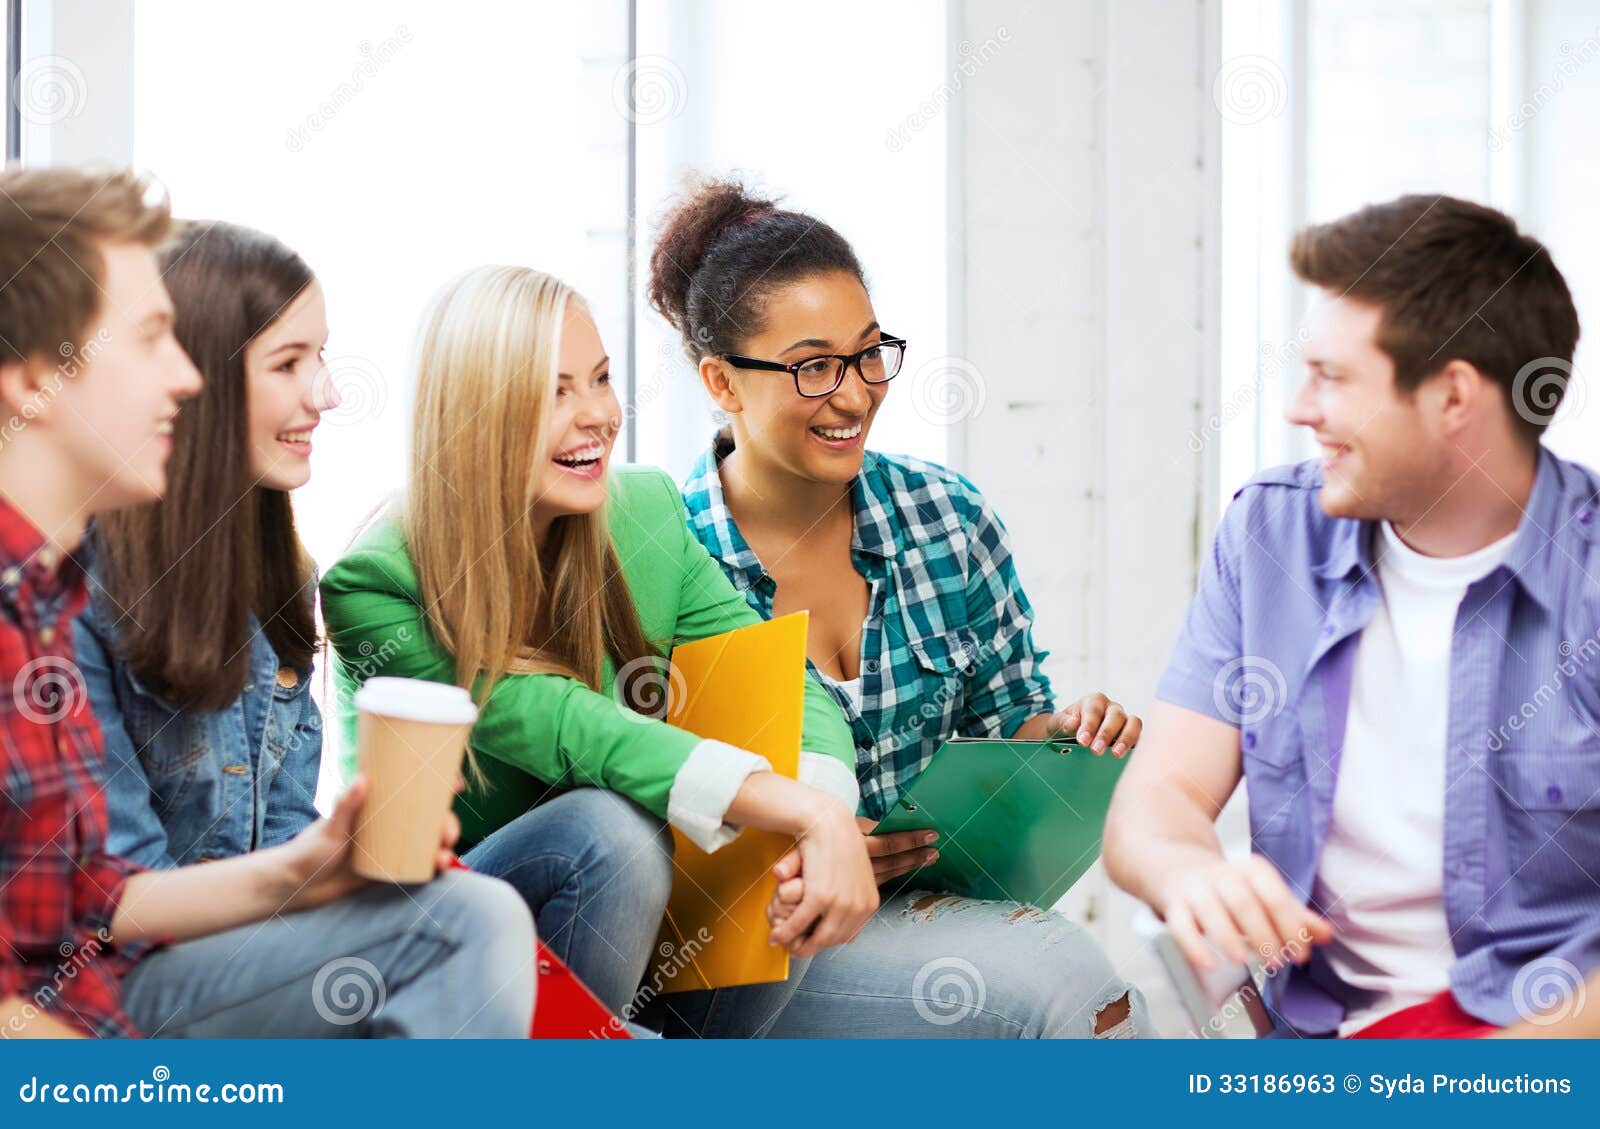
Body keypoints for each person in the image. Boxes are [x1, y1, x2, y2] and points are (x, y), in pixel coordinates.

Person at [0, 168, 535, 1039]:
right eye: (149, 342)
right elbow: (87, 934)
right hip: (124, 1003)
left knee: (488, 901)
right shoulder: (64, 602)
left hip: (157, 986)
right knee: (467, 928)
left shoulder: (48, 597)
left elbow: (90, 891)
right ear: (35, 380)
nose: (181, 377)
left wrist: (314, 866)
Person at [650, 176, 1147, 1038]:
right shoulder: (666, 554)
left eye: (870, 353)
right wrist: (810, 841)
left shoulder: (947, 517)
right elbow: (641, 825)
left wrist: (1066, 746)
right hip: (765, 950)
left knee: (1072, 979)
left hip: (942, 911)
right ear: (722, 382)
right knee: (1066, 981)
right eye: (813, 366)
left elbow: (1008, 729)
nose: (855, 394)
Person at [319, 264, 878, 1020]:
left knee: (759, 838)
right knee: (610, 829)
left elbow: (787, 685)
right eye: (552, 392)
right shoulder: (380, 582)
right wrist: (805, 811)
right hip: (439, 943)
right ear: (473, 416)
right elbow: (571, 729)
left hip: (626, 938)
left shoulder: (643, 513)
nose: (597, 415)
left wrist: (824, 806)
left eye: (601, 379)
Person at [1104, 193, 1599, 1038]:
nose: (1300, 407)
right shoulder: (1270, 538)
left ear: (1453, 398)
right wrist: (1191, 871)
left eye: (1332, 377)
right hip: (1316, 1036)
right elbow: (1153, 804)